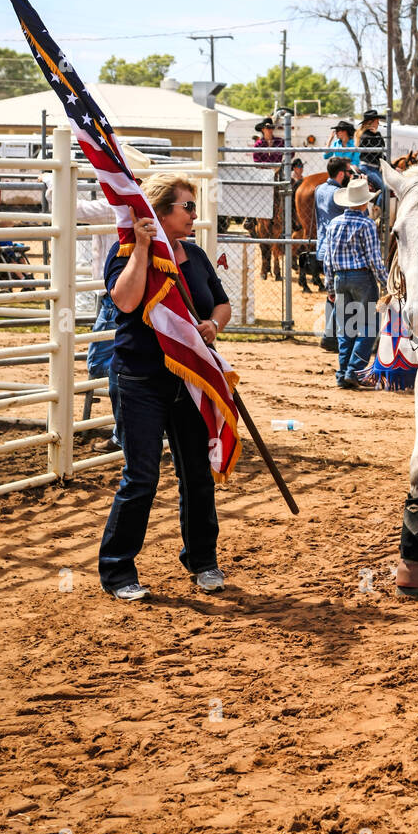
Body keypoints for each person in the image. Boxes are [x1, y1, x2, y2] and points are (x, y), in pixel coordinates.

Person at [98, 172, 232, 602]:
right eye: (187, 207)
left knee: (197, 474)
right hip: (139, 378)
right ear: (160, 210)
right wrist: (141, 247)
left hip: (186, 379)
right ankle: (118, 570)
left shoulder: (194, 255)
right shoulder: (126, 253)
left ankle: (202, 559)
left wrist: (213, 324)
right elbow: (126, 301)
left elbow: (221, 304)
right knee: (141, 476)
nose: (194, 214)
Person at [44, 142, 153, 444]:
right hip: (125, 291)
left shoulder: (114, 209)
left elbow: (68, 205)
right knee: (114, 361)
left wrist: (52, 178)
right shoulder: (135, 206)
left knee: (105, 363)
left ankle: (125, 433)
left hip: (115, 295)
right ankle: (128, 429)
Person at [323, 176, 388, 389]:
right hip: (362, 278)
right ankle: (355, 371)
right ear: (363, 203)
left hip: (340, 278)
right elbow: (373, 259)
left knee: (346, 328)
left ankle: (343, 374)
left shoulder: (334, 224)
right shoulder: (367, 224)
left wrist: (330, 285)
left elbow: (328, 258)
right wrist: (386, 283)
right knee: (368, 327)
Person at [314, 156, 348, 351]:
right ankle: (331, 335)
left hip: (322, 245)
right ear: (341, 173)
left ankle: (331, 333)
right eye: (348, 173)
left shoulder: (319, 189)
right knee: (340, 292)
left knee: (331, 293)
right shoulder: (339, 193)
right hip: (337, 248)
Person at [355, 109, 387, 204]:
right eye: (377, 121)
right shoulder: (365, 135)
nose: (378, 123)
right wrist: (376, 135)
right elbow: (379, 149)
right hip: (368, 168)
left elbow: (381, 149)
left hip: (374, 168)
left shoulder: (374, 135)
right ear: (371, 122)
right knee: (385, 188)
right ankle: (378, 211)